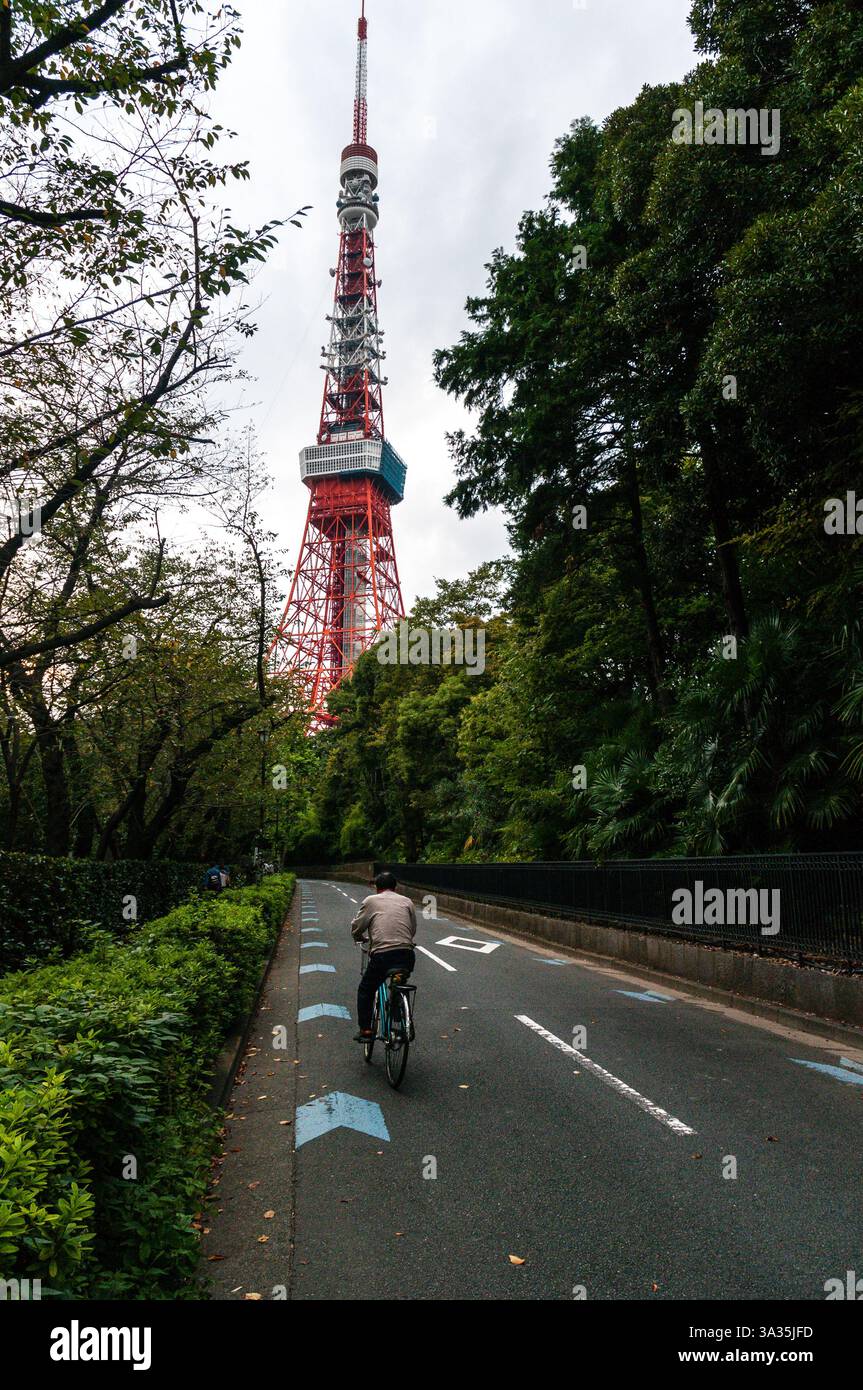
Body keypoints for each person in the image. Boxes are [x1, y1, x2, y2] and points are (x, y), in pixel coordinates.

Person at [351, 871, 416, 1043]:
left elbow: (357, 926)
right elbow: (412, 929)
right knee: (398, 979)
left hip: (382, 955)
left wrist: (358, 937)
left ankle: (366, 1030)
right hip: (406, 954)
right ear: (396, 887)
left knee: (366, 989)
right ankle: (399, 1013)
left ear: (376, 888)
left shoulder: (371, 901)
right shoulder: (407, 901)